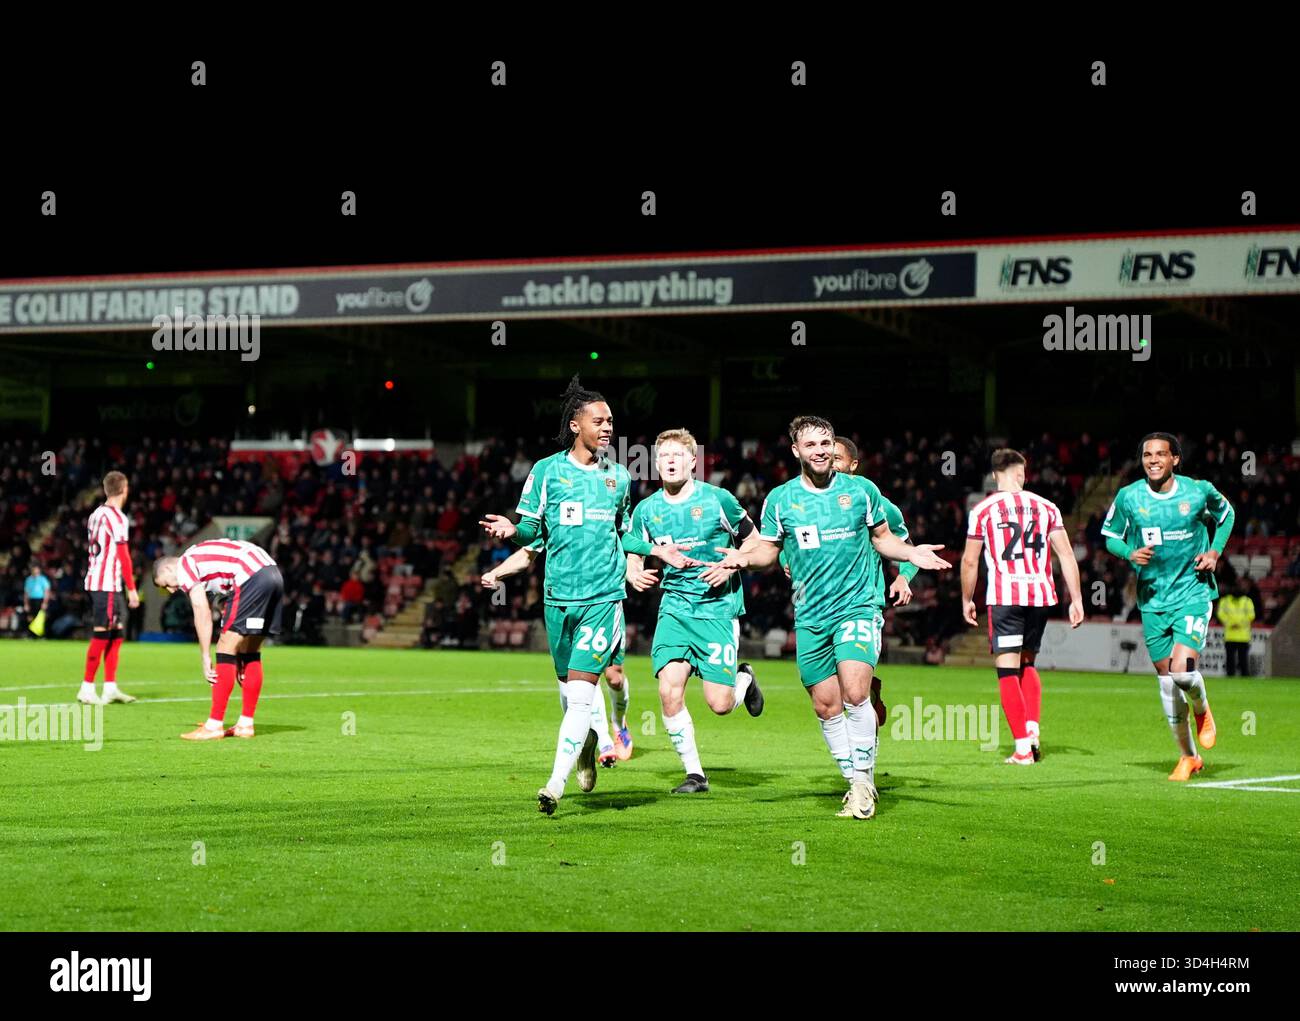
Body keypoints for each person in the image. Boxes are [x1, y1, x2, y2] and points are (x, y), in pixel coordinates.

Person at [706, 416, 950, 820]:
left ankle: (861, 785)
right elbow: (769, 550)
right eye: (812, 445)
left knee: (856, 693)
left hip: (857, 606)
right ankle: (854, 778)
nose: (820, 450)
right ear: (796, 451)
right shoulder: (781, 500)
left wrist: (910, 556)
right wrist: (743, 559)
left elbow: (884, 538)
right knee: (825, 706)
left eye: (826, 443)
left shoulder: (862, 492)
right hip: (810, 615)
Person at [479, 376, 695, 815]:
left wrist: (653, 550)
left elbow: (626, 533)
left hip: (603, 599)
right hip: (558, 600)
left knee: (581, 694)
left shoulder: (618, 477)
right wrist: (510, 531)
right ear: (576, 425)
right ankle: (587, 743)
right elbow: (531, 532)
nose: (608, 427)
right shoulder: (546, 472)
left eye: (611, 421)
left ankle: (553, 785)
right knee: (568, 695)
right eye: (599, 420)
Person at [626, 428, 765, 794]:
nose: (670, 462)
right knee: (669, 691)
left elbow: (755, 541)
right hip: (674, 609)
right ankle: (695, 775)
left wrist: (734, 564)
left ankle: (744, 678)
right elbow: (634, 548)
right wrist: (634, 570)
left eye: (677, 456)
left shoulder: (719, 500)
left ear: (692, 462)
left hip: (717, 609)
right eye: (664, 457)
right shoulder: (647, 509)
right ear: (656, 464)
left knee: (719, 704)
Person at [1101, 432, 1233, 781]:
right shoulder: (1129, 497)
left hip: (1193, 593)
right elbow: (1110, 536)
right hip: (1152, 599)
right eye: (1147, 454)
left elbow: (1227, 514)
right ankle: (1189, 757)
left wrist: (1215, 551)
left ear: (1176, 458)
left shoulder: (1198, 491)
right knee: (1166, 682)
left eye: (1161, 454)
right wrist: (1129, 552)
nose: (1153, 460)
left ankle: (1203, 710)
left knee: (1182, 672)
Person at [961, 449, 1084, 765]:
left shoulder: (983, 510)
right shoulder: (1047, 507)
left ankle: (1021, 749)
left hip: (1005, 596)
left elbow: (970, 559)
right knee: (1028, 664)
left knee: (1006, 671)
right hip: (1040, 597)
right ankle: (1032, 730)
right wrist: (1078, 599)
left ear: (994, 475)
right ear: (1020, 473)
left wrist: (966, 599)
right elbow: (1067, 556)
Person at [153, 538, 283, 740]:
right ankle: (245, 724)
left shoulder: (185, 564)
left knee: (224, 649)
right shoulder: (202, 562)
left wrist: (205, 656)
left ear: (169, 568)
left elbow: (201, 610)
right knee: (250, 653)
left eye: (166, 584)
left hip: (251, 577)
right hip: (272, 574)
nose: (171, 590)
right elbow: (226, 602)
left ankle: (213, 725)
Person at [80, 471, 139, 705]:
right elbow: (123, 555)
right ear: (124, 490)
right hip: (107, 584)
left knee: (116, 633)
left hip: (100, 581)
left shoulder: (95, 514)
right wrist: (132, 588)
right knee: (102, 633)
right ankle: (86, 687)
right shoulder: (117, 517)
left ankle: (110, 687)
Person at [1216, 577, 1255, 677]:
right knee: (1230, 659)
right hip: (1233, 635)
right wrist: (1233, 624)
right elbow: (1220, 613)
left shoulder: (1247, 601)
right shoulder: (1225, 601)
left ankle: (1244, 675)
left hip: (1241, 636)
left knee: (1243, 659)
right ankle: (1231, 675)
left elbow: (1251, 615)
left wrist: (1233, 624)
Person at [23, 563, 51, 639]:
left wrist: (45, 602)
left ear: (39, 570)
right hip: (32, 600)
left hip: (40, 600)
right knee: (31, 617)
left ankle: (42, 635)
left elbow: (46, 592)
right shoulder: (29, 579)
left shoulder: (43, 579)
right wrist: (26, 603)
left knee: (41, 618)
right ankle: (31, 635)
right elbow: (26, 593)